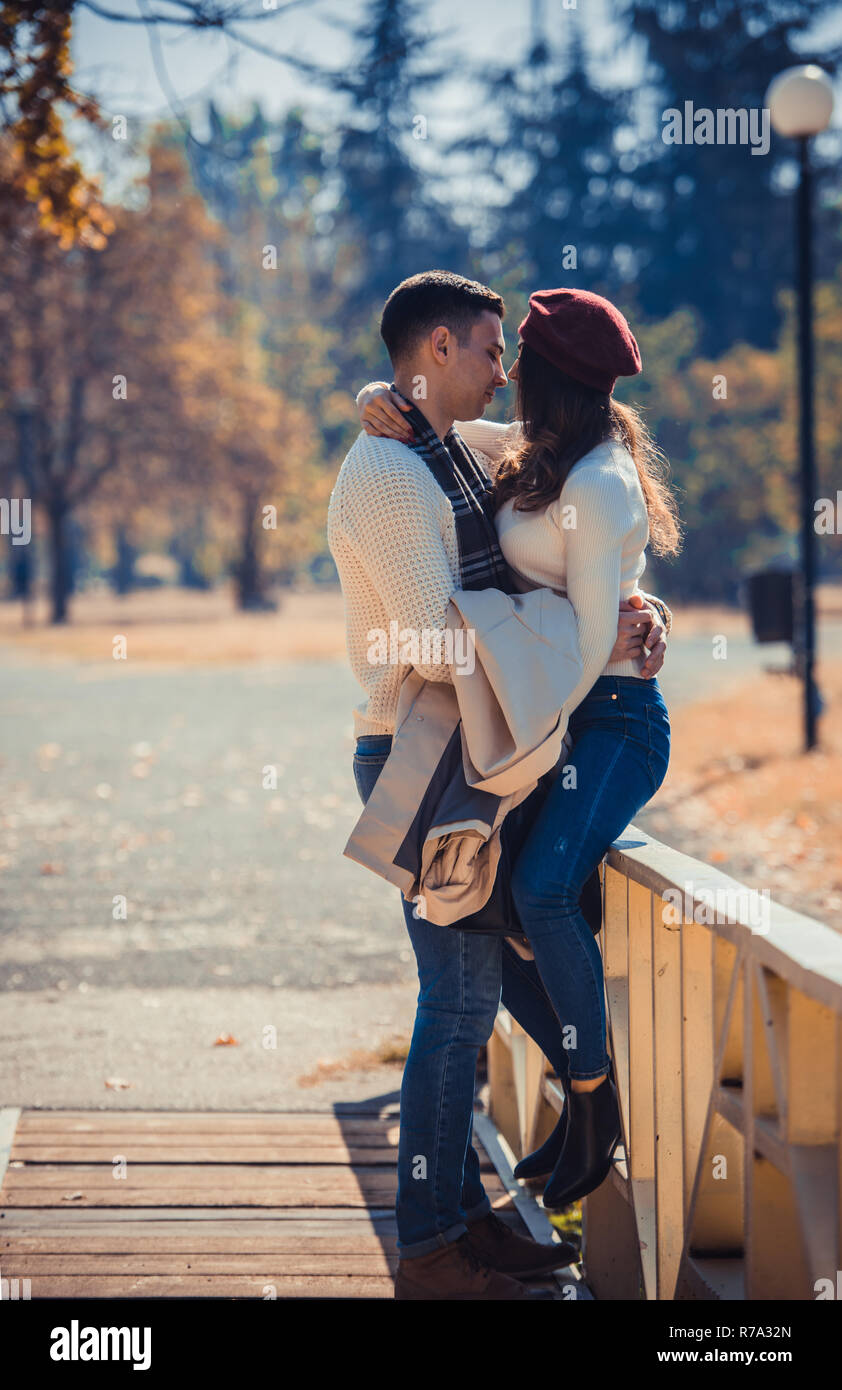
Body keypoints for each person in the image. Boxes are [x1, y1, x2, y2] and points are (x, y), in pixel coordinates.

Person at [328, 271, 673, 1299]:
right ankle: (435, 1241)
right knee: (454, 1000)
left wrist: (614, 602)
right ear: (435, 348)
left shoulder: (436, 444)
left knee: (468, 995)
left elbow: (557, 492)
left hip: (469, 739)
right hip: (417, 745)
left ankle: (465, 1216)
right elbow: (433, 637)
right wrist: (579, 634)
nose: (502, 368)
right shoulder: (386, 478)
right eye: (486, 348)